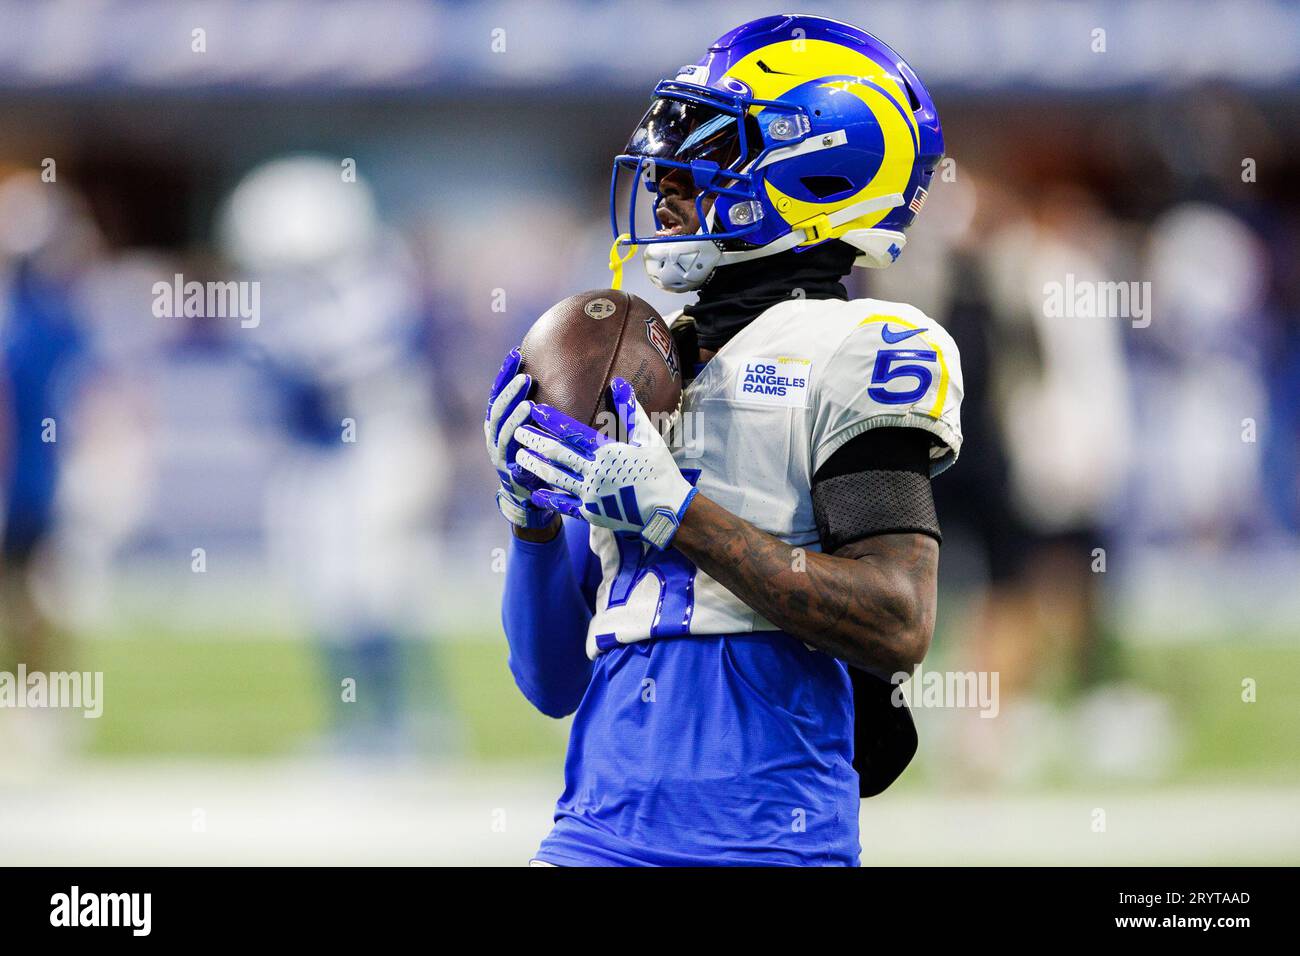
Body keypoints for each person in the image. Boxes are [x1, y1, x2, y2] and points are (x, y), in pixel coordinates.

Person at [486, 15, 963, 866]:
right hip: (593, 825)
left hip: (763, 835)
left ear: (821, 171)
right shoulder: (639, 366)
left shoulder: (862, 345)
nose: (669, 179)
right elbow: (552, 683)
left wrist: (679, 514)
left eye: (712, 149)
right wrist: (529, 523)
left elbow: (897, 620)